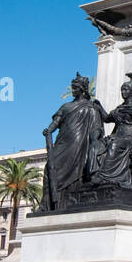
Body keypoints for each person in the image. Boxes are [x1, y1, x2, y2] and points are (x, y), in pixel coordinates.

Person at [39, 74, 105, 212]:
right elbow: (56, 122)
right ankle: (46, 205)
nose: (73, 90)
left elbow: (96, 128)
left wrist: (95, 145)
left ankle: (67, 204)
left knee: (76, 172)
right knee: (49, 170)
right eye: (73, 87)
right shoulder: (66, 106)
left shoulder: (91, 108)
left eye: (75, 88)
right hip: (62, 142)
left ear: (82, 89)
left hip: (78, 144)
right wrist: (49, 129)